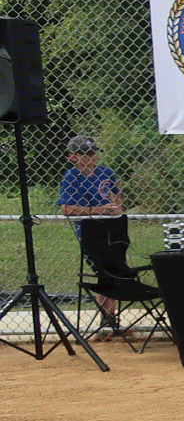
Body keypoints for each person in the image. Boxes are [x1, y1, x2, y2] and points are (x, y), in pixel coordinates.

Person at [57, 135, 127, 336]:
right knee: (105, 272)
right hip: (90, 234)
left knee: (116, 270)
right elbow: (66, 208)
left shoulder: (106, 172)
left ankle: (110, 317)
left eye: (93, 152)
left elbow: (116, 195)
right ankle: (107, 319)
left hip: (112, 231)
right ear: (73, 157)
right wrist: (99, 210)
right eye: (86, 154)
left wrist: (116, 208)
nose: (92, 157)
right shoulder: (71, 177)